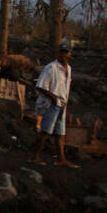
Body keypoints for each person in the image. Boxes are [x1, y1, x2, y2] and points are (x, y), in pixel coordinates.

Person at [32, 40, 77, 168]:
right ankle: (35, 157)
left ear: (70, 54)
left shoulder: (68, 69)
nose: (63, 55)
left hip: (62, 104)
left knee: (60, 133)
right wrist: (54, 98)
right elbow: (40, 86)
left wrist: (63, 101)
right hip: (51, 103)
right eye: (61, 52)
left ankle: (61, 159)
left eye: (65, 52)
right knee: (45, 131)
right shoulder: (51, 68)